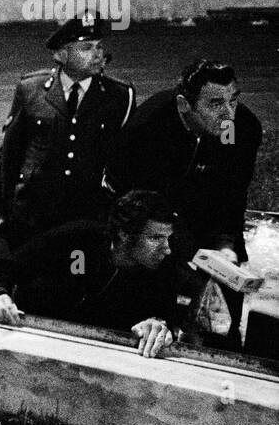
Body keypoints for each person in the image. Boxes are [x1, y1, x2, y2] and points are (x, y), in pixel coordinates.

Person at [106, 60, 263, 344]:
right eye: (216, 104)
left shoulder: (244, 128)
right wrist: (187, 257)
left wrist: (226, 247)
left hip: (209, 222)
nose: (229, 114)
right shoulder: (147, 127)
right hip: (157, 225)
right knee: (165, 304)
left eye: (234, 100)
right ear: (183, 105)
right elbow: (139, 207)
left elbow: (233, 196)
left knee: (225, 311)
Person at [0, 13, 135, 248]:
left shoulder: (119, 96)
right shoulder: (31, 89)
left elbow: (125, 160)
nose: (98, 54)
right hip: (36, 212)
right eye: (86, 47)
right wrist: (2, 210)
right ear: (62, 54)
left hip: (90, 213)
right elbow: (9, 154)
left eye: (99, 46)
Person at [0, 191, 180, 358]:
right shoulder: (80, 237)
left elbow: (166, 317)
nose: (166, 249)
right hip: (36, 340)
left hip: (102, 355)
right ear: (124, 234)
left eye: (167, 239)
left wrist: (158, 325)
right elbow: (5, 267)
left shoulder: (163, 269)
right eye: (155, 238)